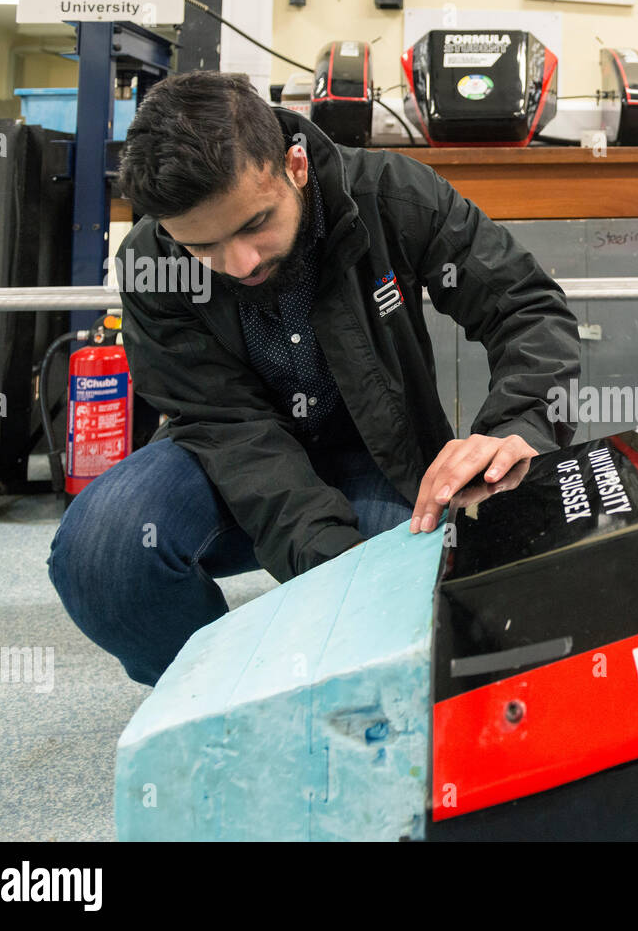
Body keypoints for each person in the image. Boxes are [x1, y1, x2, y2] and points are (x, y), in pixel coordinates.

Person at [47, 71, 581, 686]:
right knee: (103, 555)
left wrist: (517, 425)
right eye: (204, 248)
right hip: (228, 456)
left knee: (411, 606)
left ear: (294, 165)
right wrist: (326, 554)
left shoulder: (390, 193)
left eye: (254, 224)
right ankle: (221, 699)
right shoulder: (152, 263)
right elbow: (226, 424)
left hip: (380, 454)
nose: (240, 264)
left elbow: (525, 307)